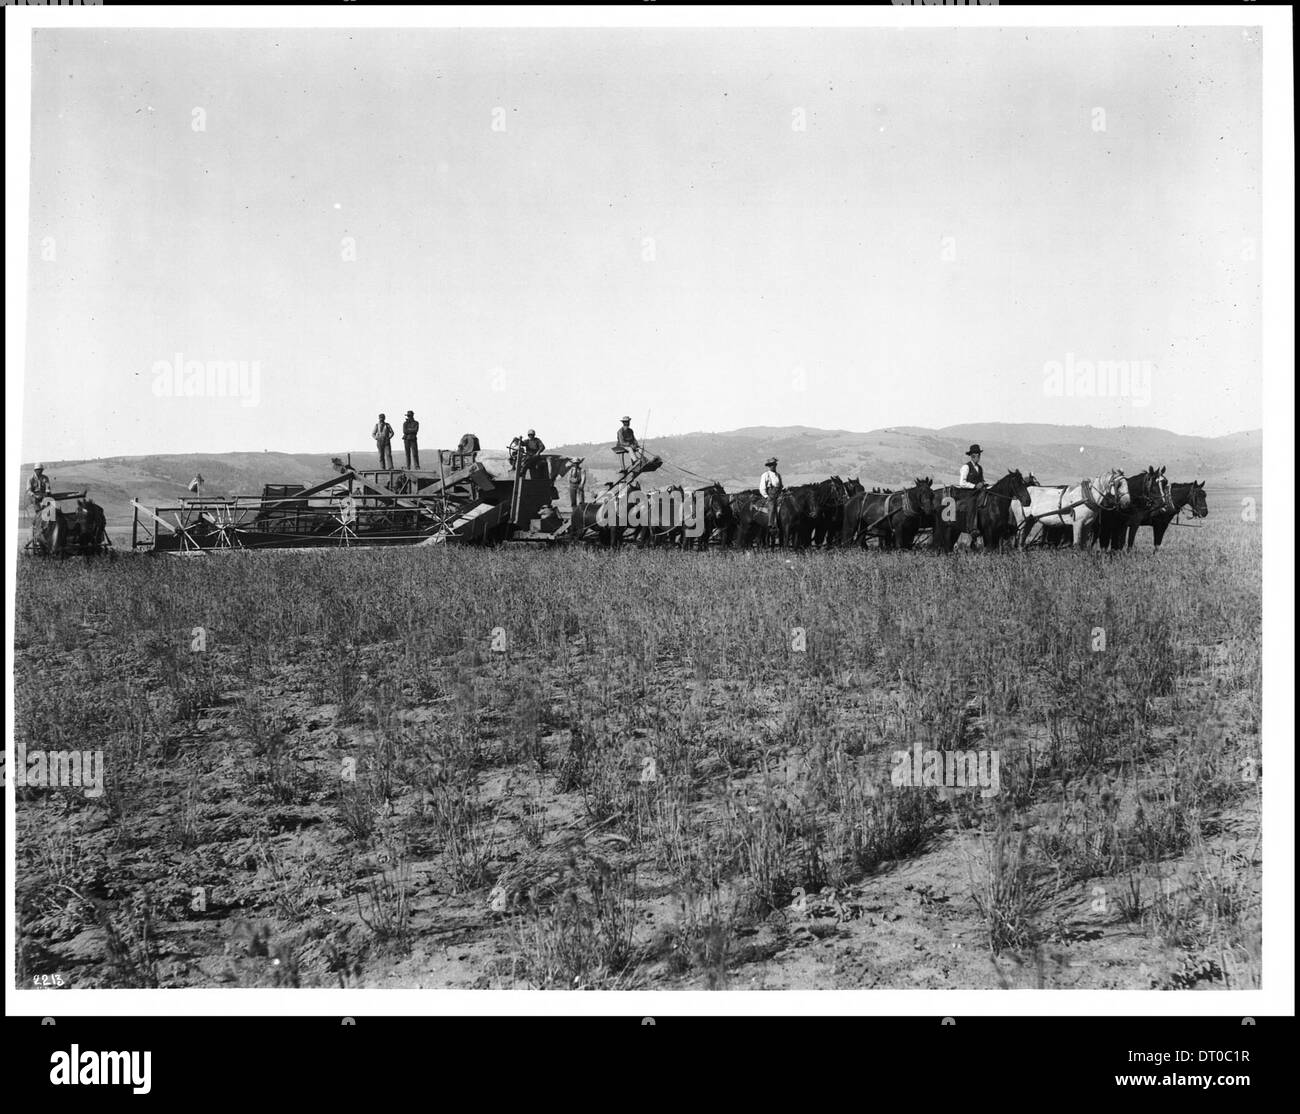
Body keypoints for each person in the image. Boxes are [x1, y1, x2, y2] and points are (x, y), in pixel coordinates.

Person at [759, 457, 783, 541]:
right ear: (769, 466)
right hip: (771, 495)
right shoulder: (766, 475)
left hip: (779, 494)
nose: (774, 466)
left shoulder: (778, 475)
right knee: (772, 506)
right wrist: (766, 496)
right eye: (772, 465)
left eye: (775, 464)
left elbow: (780, 486)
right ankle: (771, 524)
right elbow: (762, 488)